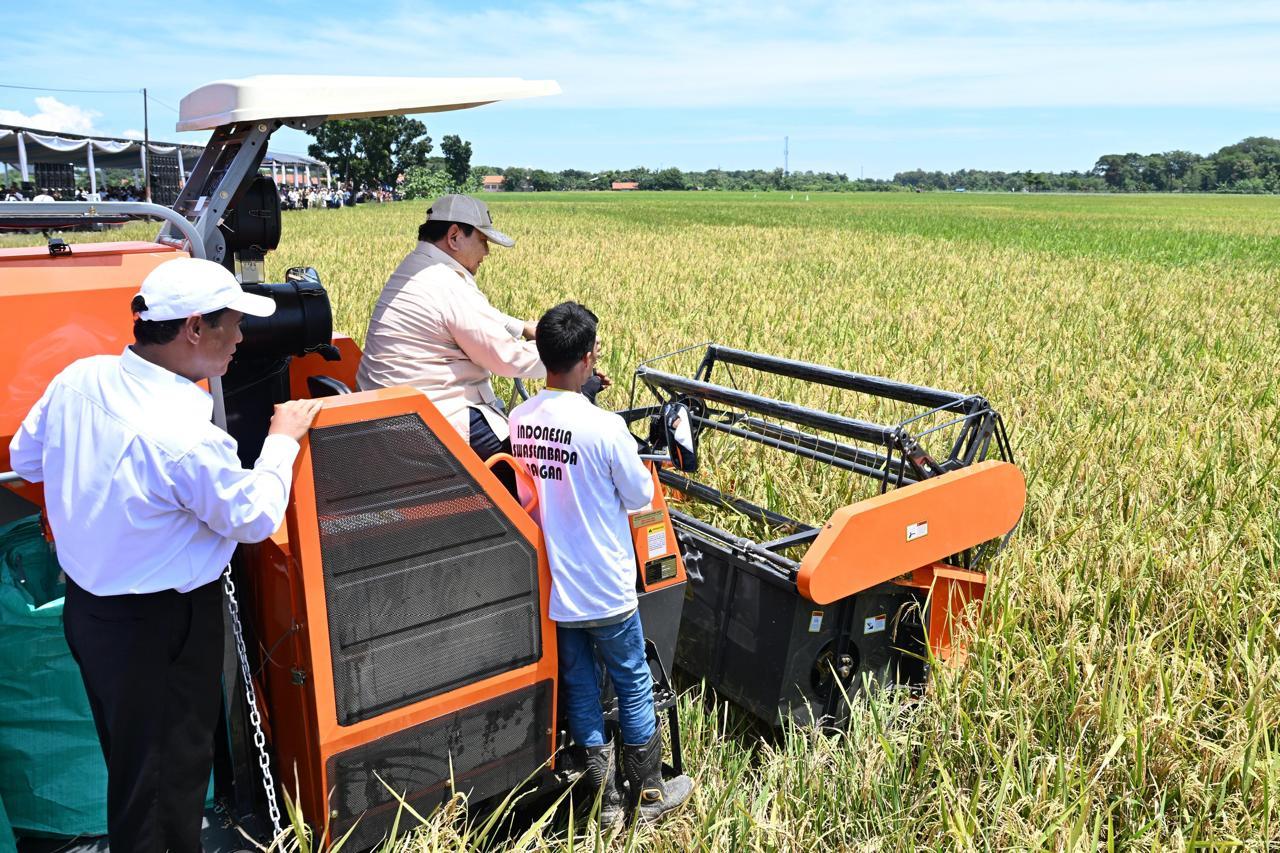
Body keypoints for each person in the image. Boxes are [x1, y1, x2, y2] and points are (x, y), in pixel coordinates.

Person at [7, 257, 323, 853]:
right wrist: (281, 443)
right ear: (194, 328)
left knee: (132, 765)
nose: (241, 339)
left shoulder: (81, 377)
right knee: (162, 792)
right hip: (162, 628)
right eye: (232, 324)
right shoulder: (185, 437)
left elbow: (26, 461)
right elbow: (252, 517)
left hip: (92, 614)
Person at [508, 302, 693, 825]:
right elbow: (639, 497)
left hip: (557, 591)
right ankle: (651, 794)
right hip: (608, 589)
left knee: (582, 685)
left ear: (543, 356)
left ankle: (606, 799)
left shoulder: (520, 420)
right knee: (633, 681)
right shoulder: (606, 428)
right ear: (588, 359)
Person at [356, 194, 547, 490]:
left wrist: (522, 327)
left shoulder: (417, 268)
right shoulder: (445, 283)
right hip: (435, 422)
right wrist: (566, 357)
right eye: (483, 241)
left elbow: (476, 317)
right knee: (537, 465)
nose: (487, 252)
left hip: (394, 418)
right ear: (455, 236)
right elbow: (506, 358)